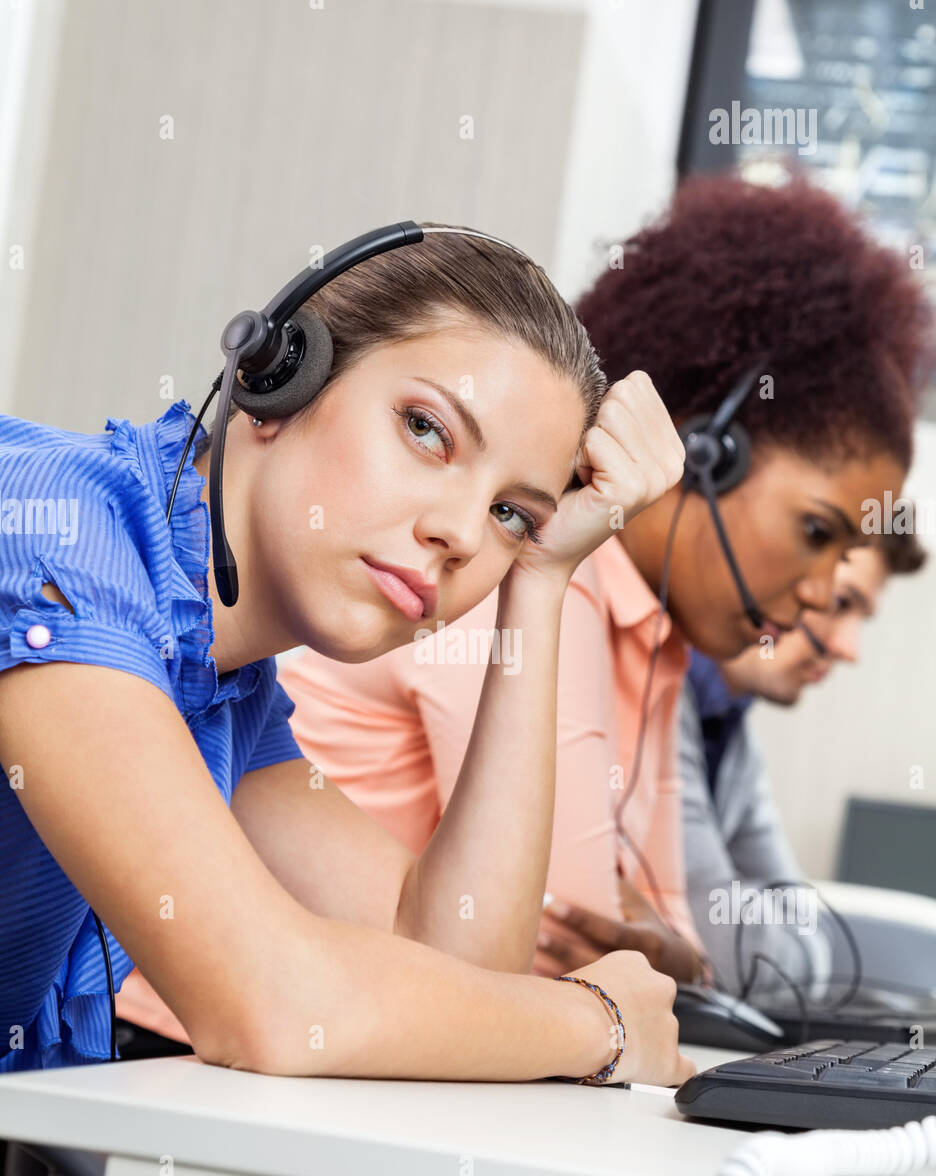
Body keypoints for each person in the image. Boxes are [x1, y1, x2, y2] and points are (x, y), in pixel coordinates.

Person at [0, 221, 694, 1087]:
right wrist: (602, 1020)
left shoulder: (224, 689)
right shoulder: (57, 540)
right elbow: (277, 1009)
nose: (458, 534)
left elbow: (452, 947)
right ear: (280, 375)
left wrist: (546, 576)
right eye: (428, 431)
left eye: (511, 513)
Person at [267, 176, 932, 987]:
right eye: (819, 532)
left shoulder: (658, 644)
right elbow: (557, 964)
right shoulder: (518, 585)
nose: (827, 588)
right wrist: (647, 962)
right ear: (706, 456)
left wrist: (658, 958)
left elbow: (667, 953)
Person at [681, 526, 928, 993]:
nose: (849, 649)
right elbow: (723, 948)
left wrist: (744, 917)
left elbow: (813, 938)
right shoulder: (655, 693)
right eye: (840, 604)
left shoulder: (736, 738)